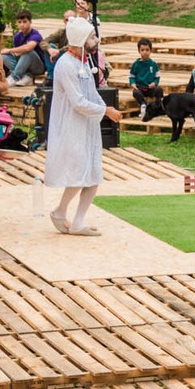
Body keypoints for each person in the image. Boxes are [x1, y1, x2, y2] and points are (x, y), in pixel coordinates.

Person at [45, 18, 120, 234]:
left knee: (93, 173)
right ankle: (60, 211)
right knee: (79, 173)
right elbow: (77, 101)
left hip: (88, 124)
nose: (95, 40)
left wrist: (105, 107)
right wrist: (105, 111)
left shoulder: (84, 62)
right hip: (71, 125)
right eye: (91, 37)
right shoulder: (66, 65)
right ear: (80, 40)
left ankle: (78, 222)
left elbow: (91, 92)